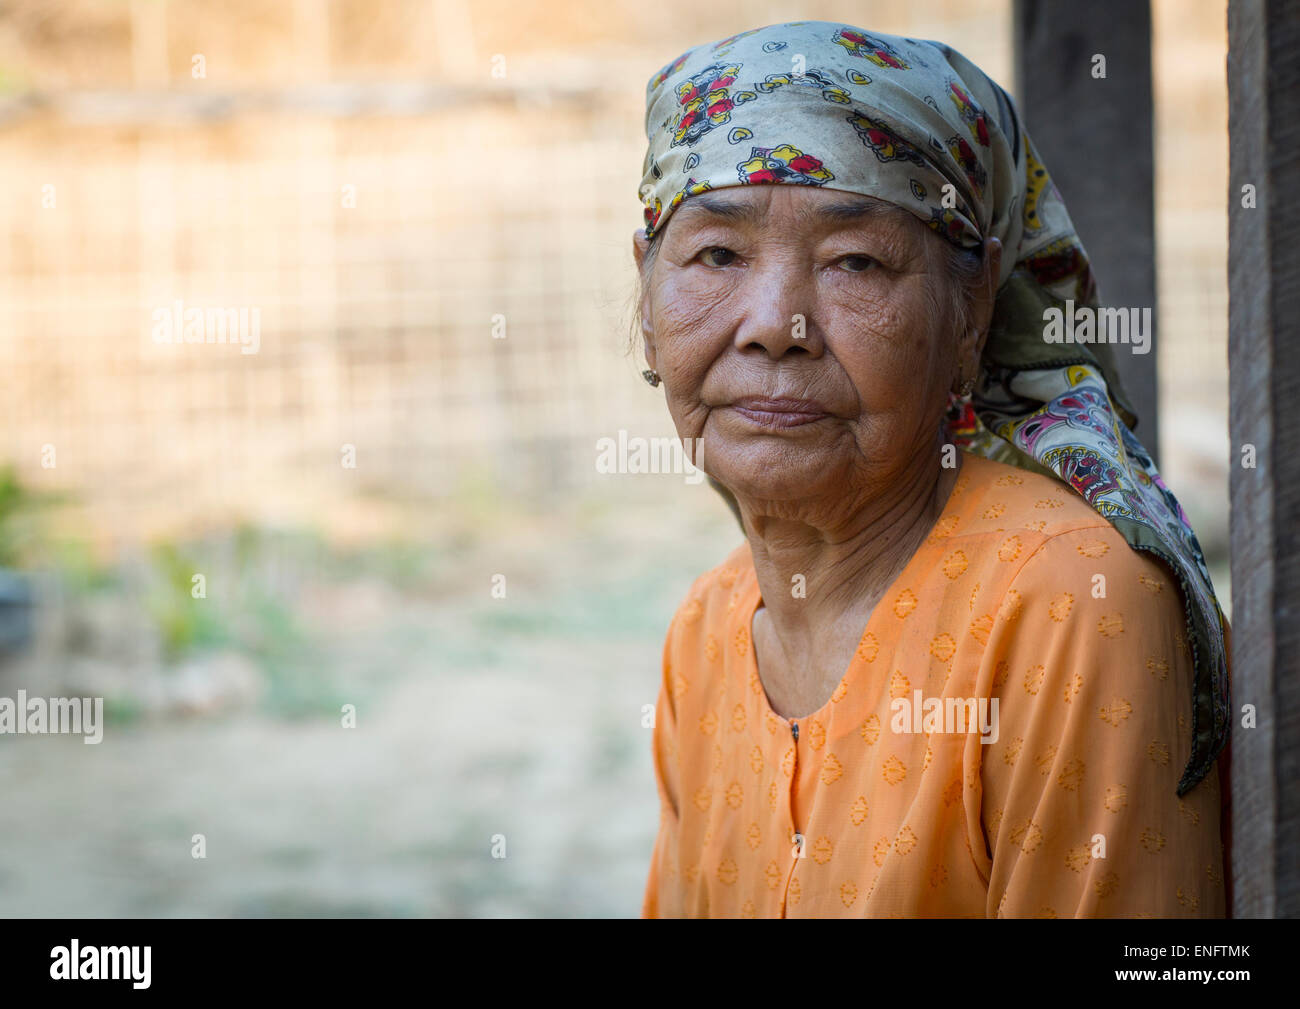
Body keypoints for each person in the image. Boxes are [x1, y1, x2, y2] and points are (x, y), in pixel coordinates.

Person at [632, 21, 1230, 917]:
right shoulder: (708, 627)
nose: (773, 324)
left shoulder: (1071, 602)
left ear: (970, 308)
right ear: (646, 289)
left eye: (855, 261)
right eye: (717, 253)